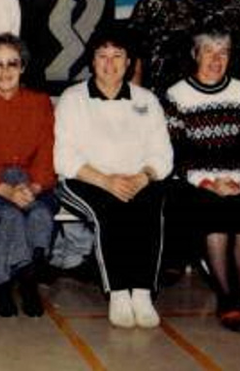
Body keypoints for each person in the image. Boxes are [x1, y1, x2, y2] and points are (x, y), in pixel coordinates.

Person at [54, 23, 173, 329]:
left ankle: (143, 293)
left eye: (117, 56)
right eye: (102, 56)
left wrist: (143, 177)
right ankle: (119, 292)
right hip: (85, 179)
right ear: (92, 61)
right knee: (111, 209)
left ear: (129, 61)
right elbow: (64, 158)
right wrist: (107, 181)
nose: (109, 64)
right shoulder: (73, 98)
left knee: (151, 204)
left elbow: (162, 155)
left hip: (137, 178)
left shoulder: (146, 99)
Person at [163, 30, 240, 334]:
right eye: (209, 51)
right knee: (214, 216)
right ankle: (226, 297)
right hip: (195, 181)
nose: (216, 59)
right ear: (196, 55)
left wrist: (237, 180)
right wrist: (209, 182)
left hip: (236, 177)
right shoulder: (177, 94)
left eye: (223, 52)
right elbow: (176, 153)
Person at [0, 33, 56, 317]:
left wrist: (34, 186)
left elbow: (47, 152)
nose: (5, 72)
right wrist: (4, 190)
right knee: (11, 216)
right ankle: (3, 284)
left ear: (23, 67)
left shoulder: (40, 102)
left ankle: (26, 279)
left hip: (32, 183)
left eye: (12, 64)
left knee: (40, 214)